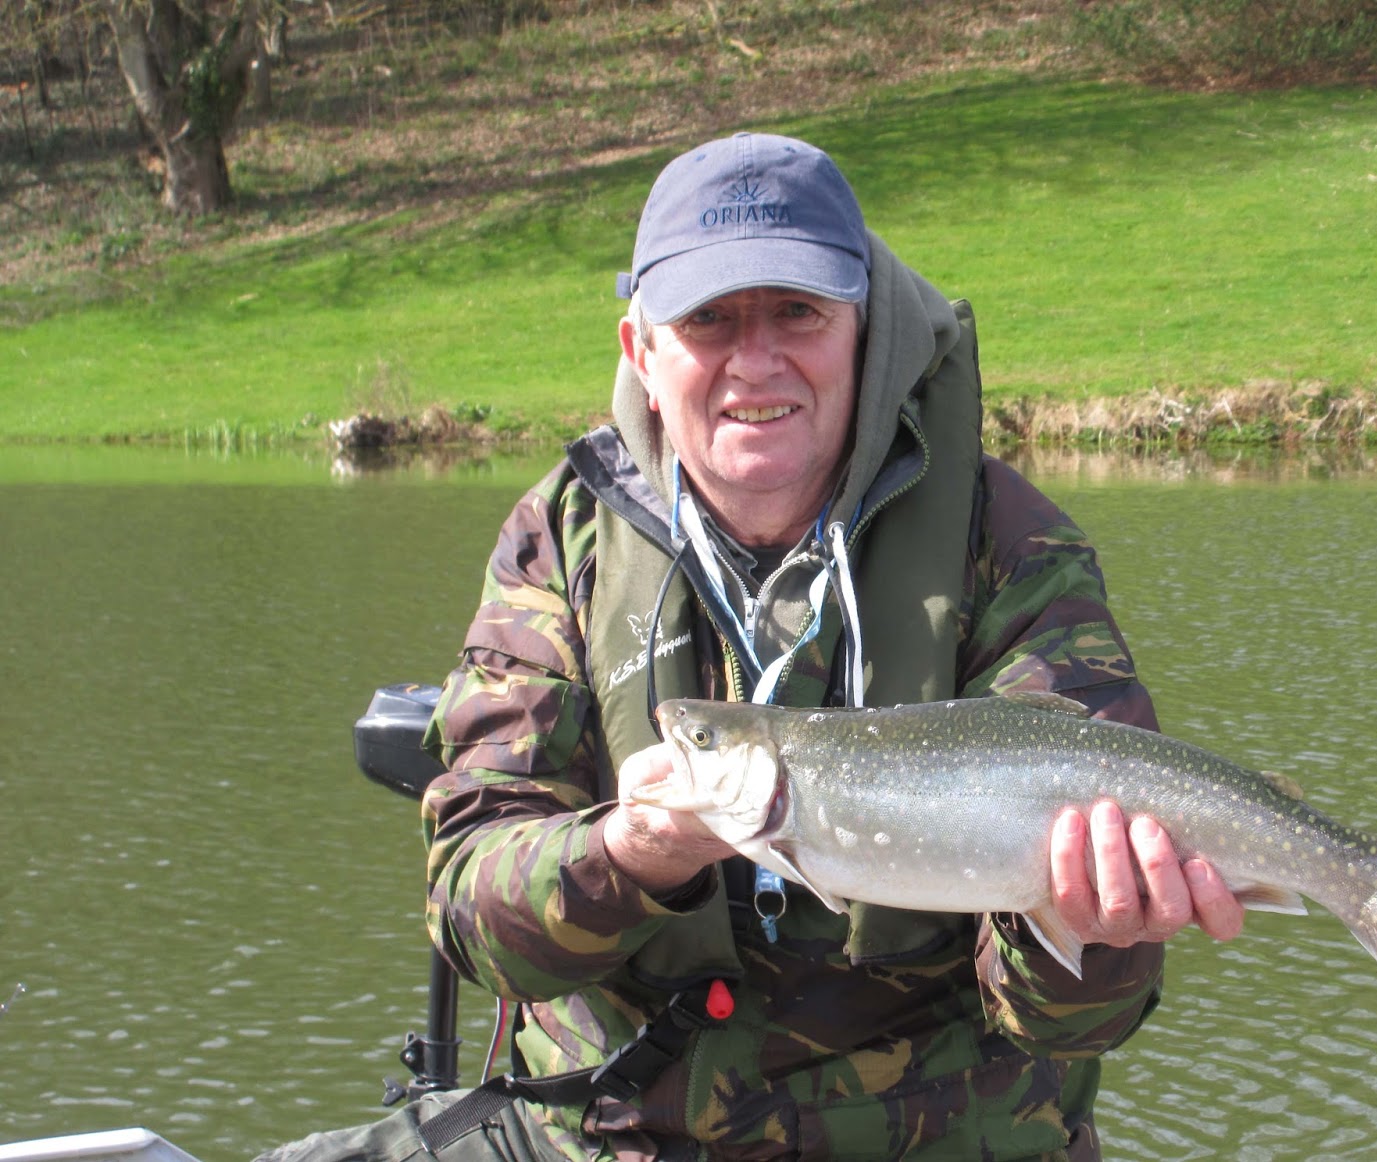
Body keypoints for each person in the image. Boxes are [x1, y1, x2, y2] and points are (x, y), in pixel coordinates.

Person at [258, 132, 1242, 1162]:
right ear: (642, 350)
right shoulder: (563, 541)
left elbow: (1074, 1025)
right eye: (709, 320)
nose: (755, 360)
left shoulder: (1007, 545)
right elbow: (470, 904)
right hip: (608, 1132)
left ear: (862, 330)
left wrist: (1088, 936)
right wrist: (629, 856)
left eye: (797, 313)